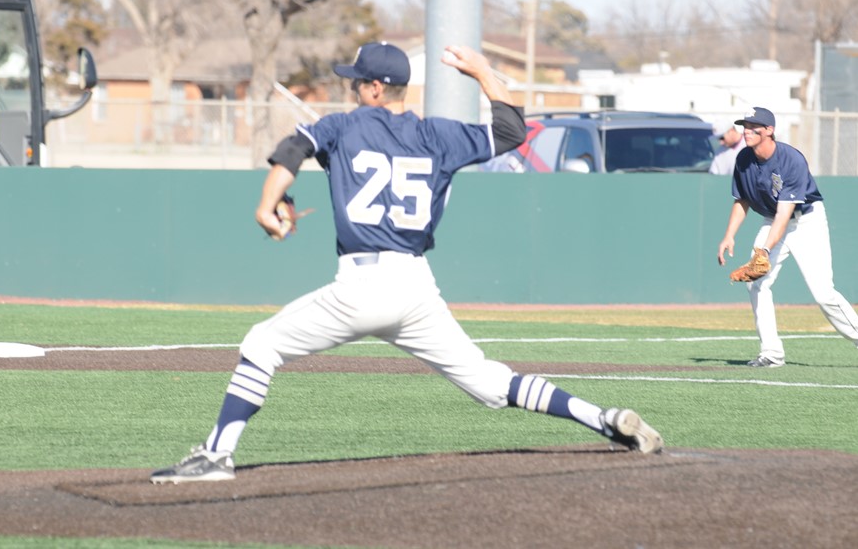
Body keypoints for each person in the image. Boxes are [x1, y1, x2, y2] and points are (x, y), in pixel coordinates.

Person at [151, 41, 663, 484]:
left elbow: (292, 148)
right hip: (416, 287)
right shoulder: (438, 135)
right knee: (489, 382)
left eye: (357, 83)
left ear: (376, 88)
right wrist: (484, 71)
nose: (353, 90)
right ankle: (604, 417)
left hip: (363, 283)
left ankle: (217, 455)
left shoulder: (343, 126)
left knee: (261, 342)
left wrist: (269, 204)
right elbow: (511, 132)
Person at [717, 106, 858, 367]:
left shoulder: (790, 159)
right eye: (744, 126)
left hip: (806, 221)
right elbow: (742, 199)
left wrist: (765, 251)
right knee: (756, 283)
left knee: (824, 294)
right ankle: (771, 353)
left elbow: (785, 214)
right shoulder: (744, 160)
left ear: (769, 130)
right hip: (773, 219)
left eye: (753, 126)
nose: (746, 131)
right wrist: (729, 236)